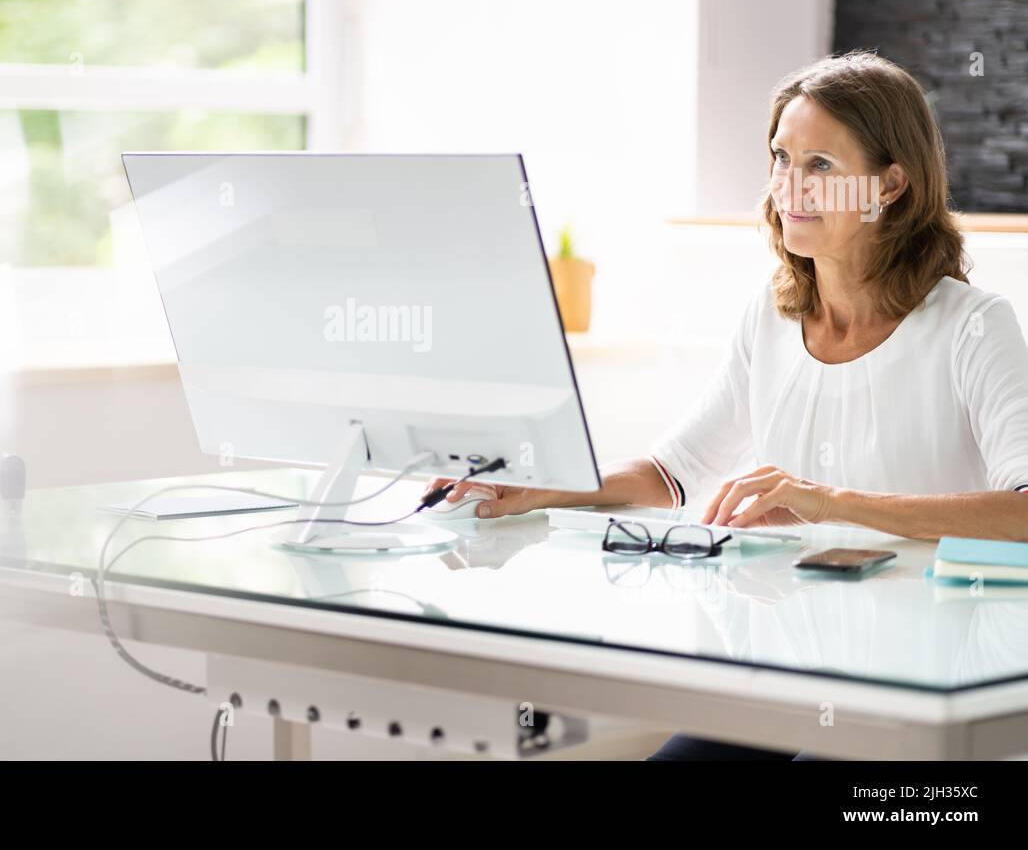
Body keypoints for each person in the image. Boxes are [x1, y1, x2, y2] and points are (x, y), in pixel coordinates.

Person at [428, 50, 1028, 759]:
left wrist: (828, 501)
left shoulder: (970, 326)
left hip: (928, 695)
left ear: (890, 185)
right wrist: (540, 483)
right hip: (787, 678)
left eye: (820, 166)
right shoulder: (769, 319)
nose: (787, 186)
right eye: (780, 158)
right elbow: (671, 471)